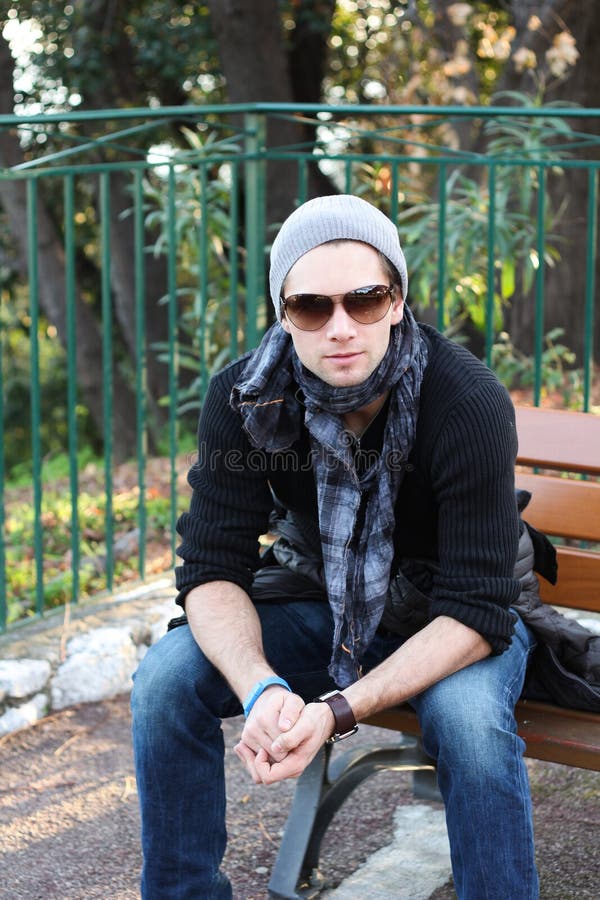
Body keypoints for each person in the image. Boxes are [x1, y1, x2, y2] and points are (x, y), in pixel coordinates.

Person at [131, 194, 539, 899]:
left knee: (470, 724)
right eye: (312, 307)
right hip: (323, 599)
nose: (341, 327)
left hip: (453, 618)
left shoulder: (464, 399)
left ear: (399, 301)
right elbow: (210, 568)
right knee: (166, 679)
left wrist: (333, 711)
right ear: (284, 314)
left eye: (365, 299)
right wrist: (260, 686)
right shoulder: (246, 398)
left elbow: (477, 608)